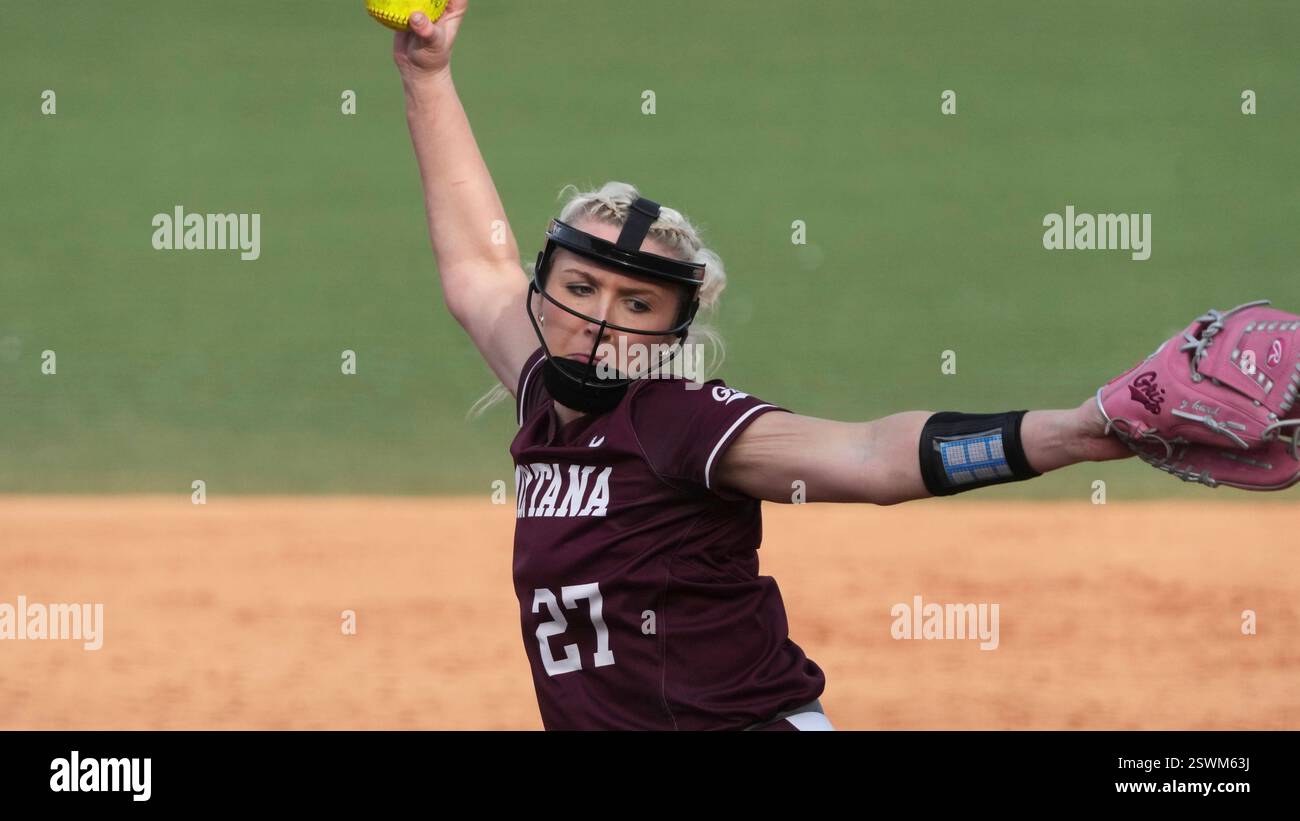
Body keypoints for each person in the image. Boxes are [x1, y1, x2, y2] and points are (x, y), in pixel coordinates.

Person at [391, 0, 1134, 730]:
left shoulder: (675, 420)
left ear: (672, 330)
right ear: (542, 293)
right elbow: (474, 266)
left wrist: (1079, 431)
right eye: (581, 288)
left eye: (637, 303)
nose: (599, 321)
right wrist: (427, 77)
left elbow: (871, 454)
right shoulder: (542, 393)